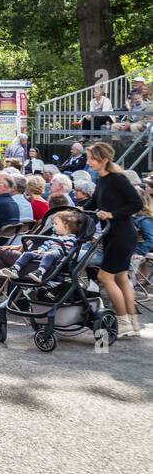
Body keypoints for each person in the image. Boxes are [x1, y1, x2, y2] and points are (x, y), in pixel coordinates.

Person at [88, 143, 143, 338]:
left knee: (105, 277)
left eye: (92, 159)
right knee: (120, 277)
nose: (89, 162)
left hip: (122, 234)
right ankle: (132, 323)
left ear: (103, 159)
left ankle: (123, 322)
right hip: (113, 234)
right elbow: (94, 202)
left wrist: (112, 214)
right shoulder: (101, 179)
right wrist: (74, 210)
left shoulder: (117, 179)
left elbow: (137, 204)